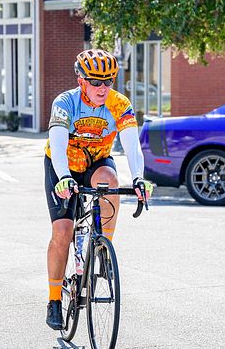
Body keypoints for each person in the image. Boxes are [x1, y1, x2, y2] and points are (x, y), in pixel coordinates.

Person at [44, 49, 154, 329]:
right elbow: (58, 144)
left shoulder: (119, 104)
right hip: (63, 165)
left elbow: (132, 145)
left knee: (111, 182)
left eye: (108, 81)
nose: (102, 88)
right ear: (81, 81)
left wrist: (139, 178)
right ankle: (54, 299)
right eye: (95, 82)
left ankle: (103, 250)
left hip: (96, 162)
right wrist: (64, 177)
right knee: (63, 231)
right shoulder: (65, 103)